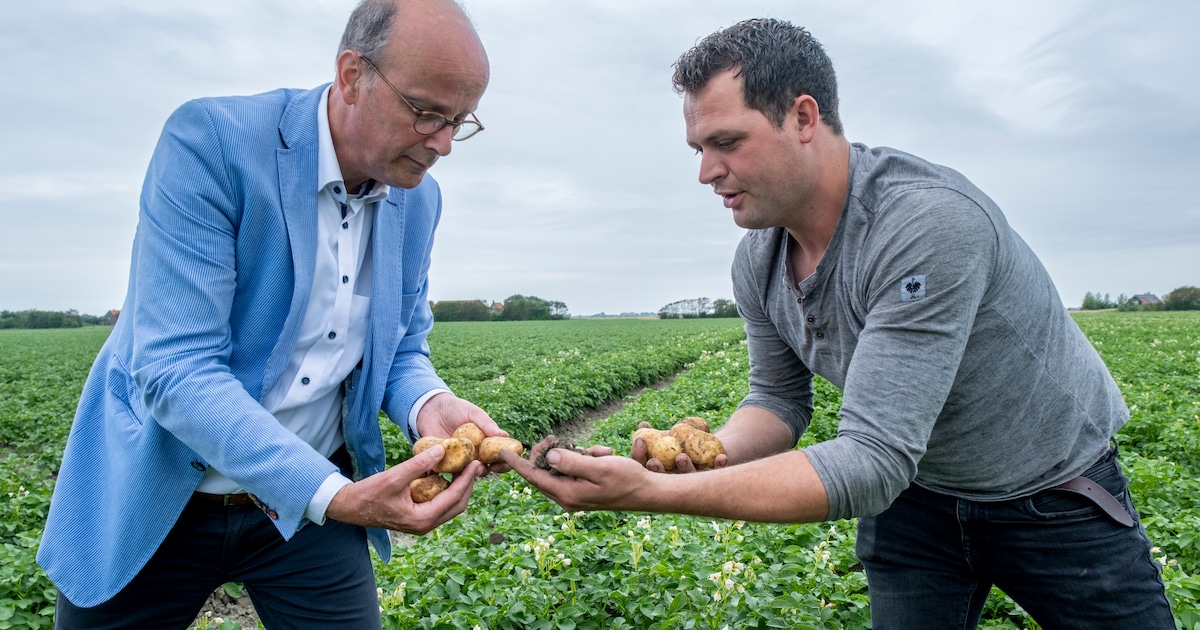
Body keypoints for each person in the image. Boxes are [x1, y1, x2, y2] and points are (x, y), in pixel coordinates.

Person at [504, 17, 1176, 629]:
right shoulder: (759, 257)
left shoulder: (926, 224)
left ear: (802, 116)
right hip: (916, 501)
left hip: (1052, 492)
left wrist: (651, 495)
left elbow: (872, 460)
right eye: (697, 148)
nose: (707, 172)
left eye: (727, 142)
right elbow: (778, 400)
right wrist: (698, 460)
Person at [38, 1, 501, 627]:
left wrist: (430, 405)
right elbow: (177, 368)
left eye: (458, 121)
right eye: (425, 113)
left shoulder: (417, 201)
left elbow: (401, 350)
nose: (443, 144)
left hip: (306, 516)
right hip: (165, 493)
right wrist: (333, 496)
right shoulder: (211, 145)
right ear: (351, 75)